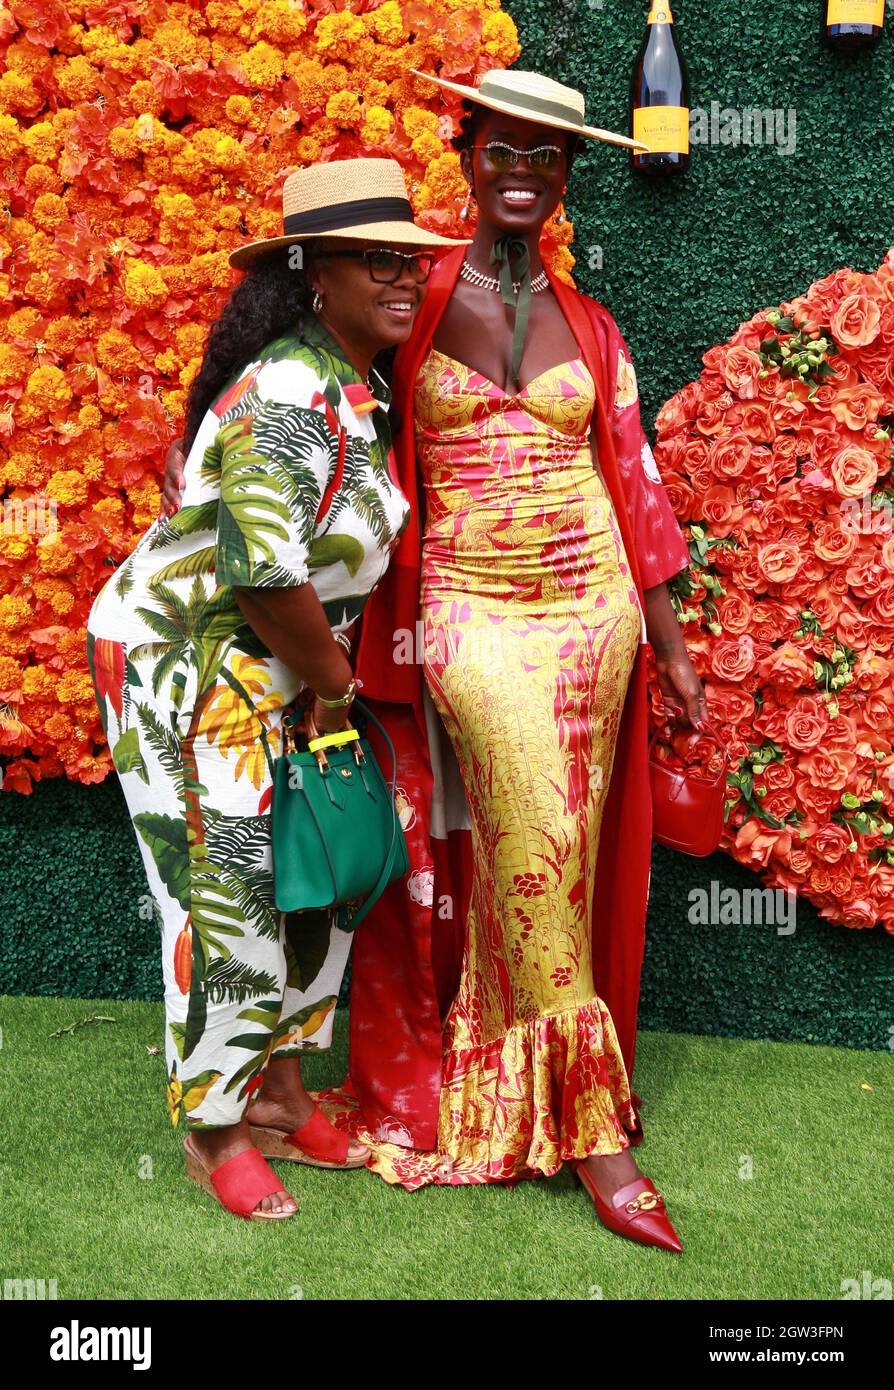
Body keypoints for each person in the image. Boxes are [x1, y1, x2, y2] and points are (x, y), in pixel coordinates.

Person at [86, 157, 469, 1221]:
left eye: (410, 259)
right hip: (187, 664)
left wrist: (317, 682)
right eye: (375, 259)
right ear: (313, 277)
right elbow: (261, 574)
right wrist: (338, 687)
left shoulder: (354, 381)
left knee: (315, 868)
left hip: (280, 665)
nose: (403, 276)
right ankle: (215, 1126)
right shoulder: (292, 393)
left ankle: (283, 1091)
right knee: (231, 886)